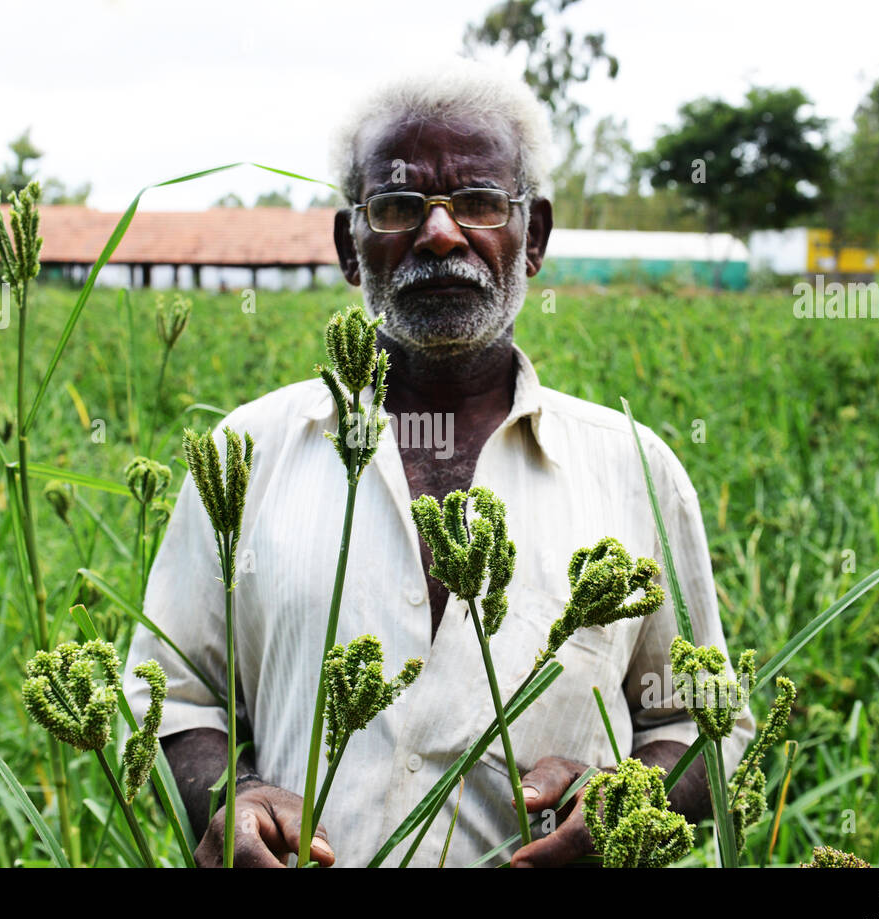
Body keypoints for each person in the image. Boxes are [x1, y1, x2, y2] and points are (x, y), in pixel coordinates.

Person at [125, 58, 755, 868]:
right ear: (350, 247)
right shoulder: (242, 455)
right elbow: (168, 697)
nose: (440, 232)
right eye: (396, 205)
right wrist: (232, 798)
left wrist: (630, 804)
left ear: (535, 239)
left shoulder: (635, 468)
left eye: (482, 201)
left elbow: (703, 728)